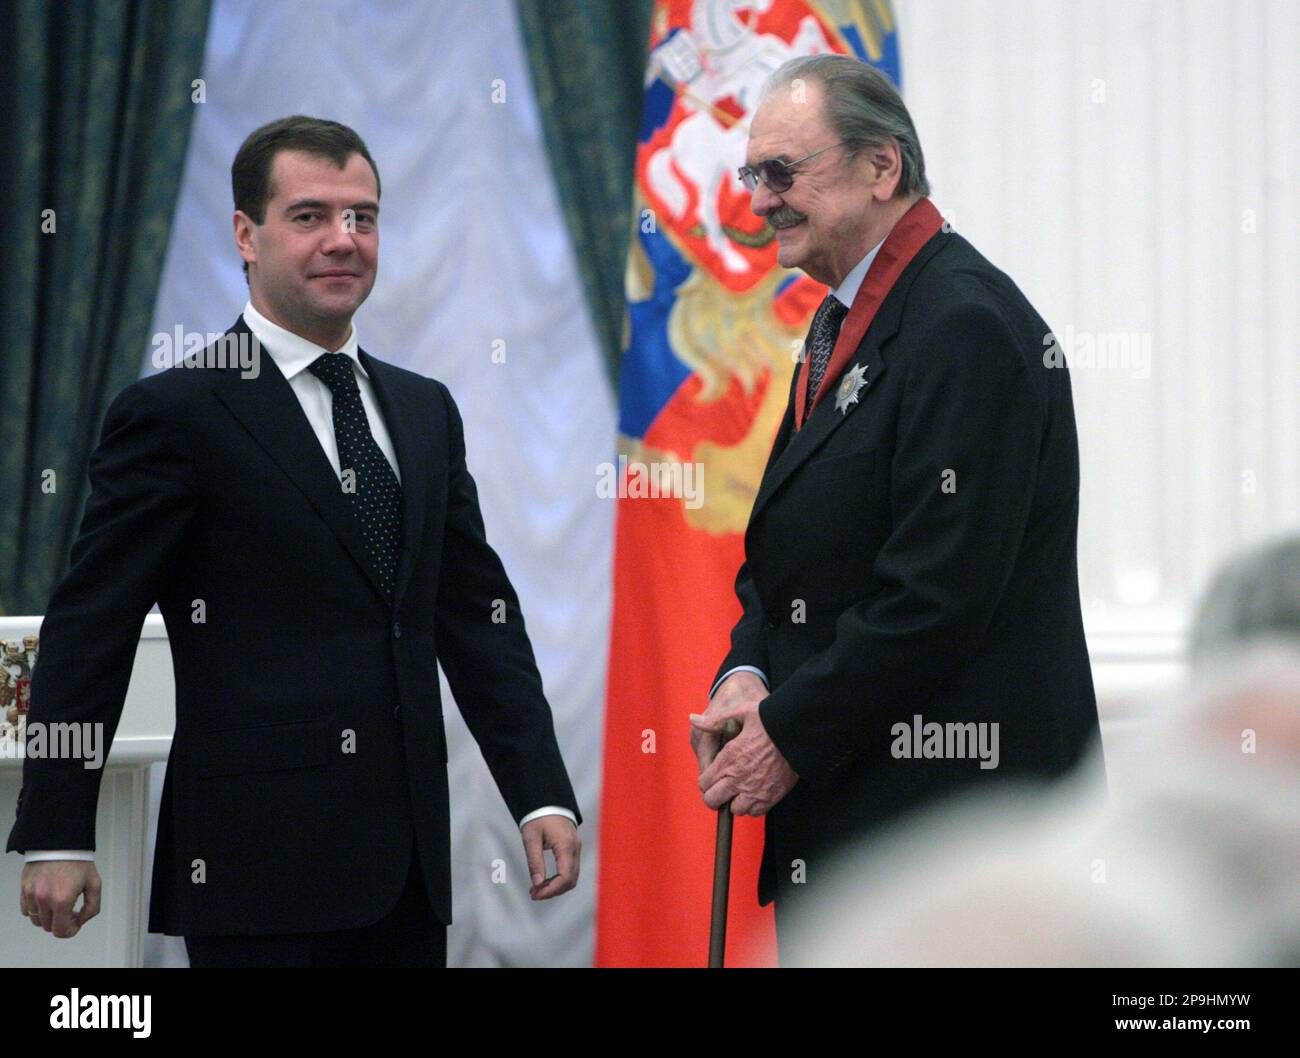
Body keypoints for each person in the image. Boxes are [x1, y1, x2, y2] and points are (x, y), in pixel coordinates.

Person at [10, 116, 582, 968]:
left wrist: (541, 795)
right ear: (247, 234)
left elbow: (476, 617)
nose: (344, 241)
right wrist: (58, 827)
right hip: (255, 878)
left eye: (364, 217)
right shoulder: (177, 412)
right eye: (310, 216)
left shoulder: (424, 410)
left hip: (409, 880)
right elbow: (94, 622)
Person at [689, 55, 1102, 962]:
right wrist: (746, 675)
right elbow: (784, 551)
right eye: (754, 175)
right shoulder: (847, 318)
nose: (759, 201)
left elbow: (938, 594)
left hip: (951, 840)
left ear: (883, 167)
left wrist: (787, 734)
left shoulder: (962, 322)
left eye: (783, 172)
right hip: (866, 824)